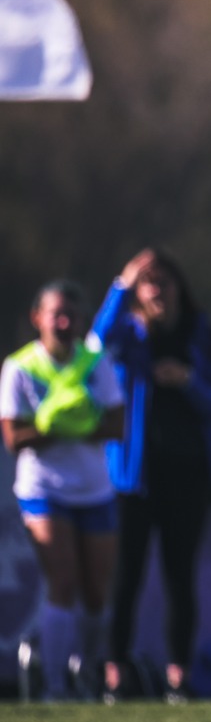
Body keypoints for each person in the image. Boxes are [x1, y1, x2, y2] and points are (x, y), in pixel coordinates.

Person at [92, 249, 211, 704]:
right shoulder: (129, 336)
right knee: (126, 576)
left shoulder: (202, 335)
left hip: (188, 474)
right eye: (147, 284)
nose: (156, 290)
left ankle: (180, 674)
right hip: (135, 478)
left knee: (180, 576)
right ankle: (116, 672)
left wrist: (186, 381)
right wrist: (122, 282)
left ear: (179, 288)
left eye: (164, 281)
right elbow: (95, 346)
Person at [1, 282, 126, 700]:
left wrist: (82, 423)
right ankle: (54, 684)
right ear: (38, 317)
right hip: (44, 490)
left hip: (95, 490)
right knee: (64, 580)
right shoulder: (20, 368)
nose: (65, 322)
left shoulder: (96, 362)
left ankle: (85, 670)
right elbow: (14, 437)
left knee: (96, 591)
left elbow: (116, 424)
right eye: (57, 314)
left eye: (71, 315)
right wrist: (54, 424)